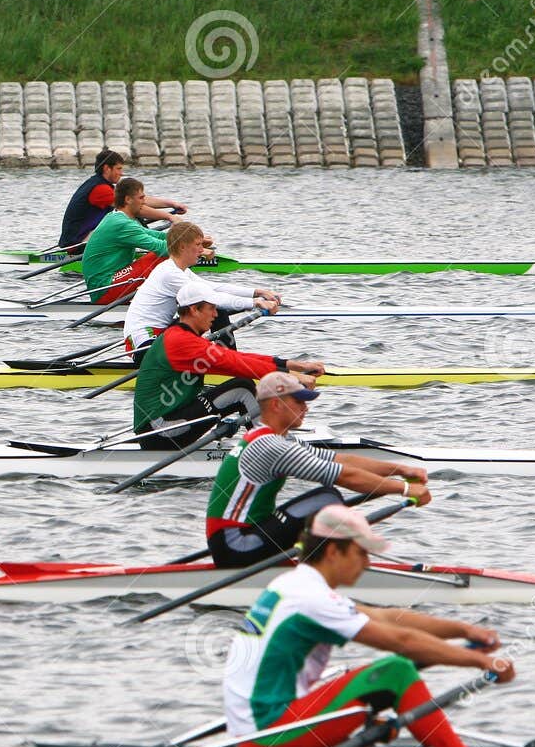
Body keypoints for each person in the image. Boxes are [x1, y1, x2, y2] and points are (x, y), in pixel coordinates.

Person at [223, 504, 514, 747]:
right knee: (396, 671)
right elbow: (401, 641)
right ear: (335, 551)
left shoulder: (294, 585)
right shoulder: (312, 598)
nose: (367, 563)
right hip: (270, 734)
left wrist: (465, 630)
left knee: (371, 672)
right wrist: (483, 662)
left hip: (259, 726)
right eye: (361, 553)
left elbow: (387, 618)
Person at [206, 372, 430, 566]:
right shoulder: (271, 446)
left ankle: (323, 563)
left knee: (326, 499)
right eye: (299, 402)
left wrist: (401, 469)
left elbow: (341, 461)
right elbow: (344, 475)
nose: (306, 408)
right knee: (326, 499)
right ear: (276, 404)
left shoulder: (277, 439)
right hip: (236, 545)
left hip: (238, 538)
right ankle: (328, 567)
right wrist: (404, 490)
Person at [133, 290, 323, 450]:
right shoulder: (181, 341)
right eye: (211, 308)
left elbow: (240, 358)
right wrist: (290, 376)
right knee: (242, 388)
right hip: (160, 432)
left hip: (164, 425)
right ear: (194, 310)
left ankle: (270, 440)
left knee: (242, 385)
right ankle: (275, 449)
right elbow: (236, 363)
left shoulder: (179, 335)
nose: (216, 315)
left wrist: (295, 365)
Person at [121, 222, 281, 354]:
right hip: (144, 343)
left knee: (214, 311)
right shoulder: (169, 273)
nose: (202, 250)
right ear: (182, 247)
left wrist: (258, 292)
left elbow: (215, 288)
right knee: (212, 308)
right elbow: (212, 298)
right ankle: (226, 360)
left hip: (160, 334)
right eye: (197, 245)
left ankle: (226, 358)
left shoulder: (180, 270)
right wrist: (255, 303)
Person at [56, 149, 186, 251]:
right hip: (77, 243)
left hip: (86, 236)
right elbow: (137, 207)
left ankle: (157, 246)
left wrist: (171, 204)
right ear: (107, 168)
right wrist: (170, 217)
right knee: (129, 222)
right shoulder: (100, 189)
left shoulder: (102, 185)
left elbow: (139, 200)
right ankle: (163, 249)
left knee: (128, 222)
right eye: (119, 169)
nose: (121, 173)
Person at [80, 179, 171, 304]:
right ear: (128, 199)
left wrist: (191, 238)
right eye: (141, 198)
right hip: (104, 289)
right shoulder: (121, 223)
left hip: (109, 283)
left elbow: (155, 235)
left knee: (168, 252)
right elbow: (161, 248)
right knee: (160, 256)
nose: (144, 202)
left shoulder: (116, 216)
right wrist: (194, 248)